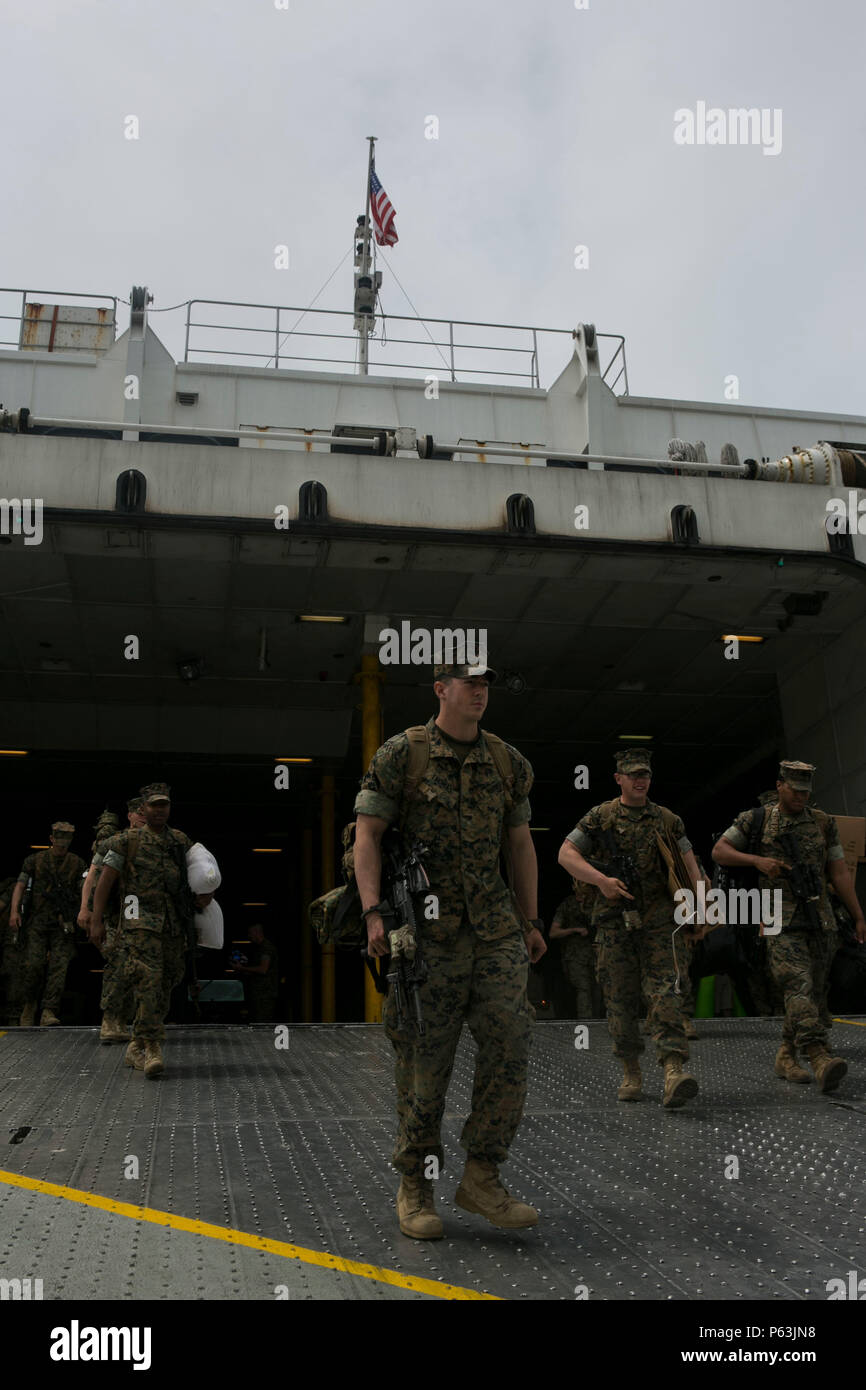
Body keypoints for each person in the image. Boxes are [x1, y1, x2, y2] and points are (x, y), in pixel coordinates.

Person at [353, 661, 546, 1239]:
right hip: (425, 940)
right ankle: (416, 1183)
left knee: (510, 1047)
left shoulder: (509, 763)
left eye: (487, 684)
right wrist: (372, 914)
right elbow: (368, 836)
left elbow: (520, 844)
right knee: (423, 1065)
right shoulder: (401, 755)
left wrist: (531, 919)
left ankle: (483, 1176)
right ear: (442, 690)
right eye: (470, 684)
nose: (481, 692)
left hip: (494, 932)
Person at [557, 749, 705, 1108]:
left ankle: (673, 1070)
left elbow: (690, 866)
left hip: (659, 921)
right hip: (613, 922)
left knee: (665, 993)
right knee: (619, 999)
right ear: (618, 778)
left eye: (646, 775)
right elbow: (565, 855)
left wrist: (699, 911)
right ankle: (631, 1070)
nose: (641, 780)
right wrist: (602, 881)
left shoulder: (668, 820)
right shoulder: (601, 817)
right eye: (633, 774)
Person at [712, 760, 866, 1091]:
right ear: (780, 785)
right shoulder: (757, 819)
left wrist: (858, 915)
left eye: (806, 792)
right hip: (777, 918)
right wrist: (757, 861)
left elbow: (838, 871)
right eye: (795, 790)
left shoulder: (824, 823)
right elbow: (719, 851)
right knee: (797, 984)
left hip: (819, 919)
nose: (801, 797)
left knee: (813, 992)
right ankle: (819, 1056)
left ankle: (786, 1054)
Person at [90, 783, 196, 1078]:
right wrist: (96, 919)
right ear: (143, 809)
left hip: (173, 925)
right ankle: (152, 1049)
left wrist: (205, 897)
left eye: (164, 805)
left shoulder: (180, 841)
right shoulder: (127, 841)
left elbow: (199, 875)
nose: (159, 810)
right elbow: (105, 882)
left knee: (168, 982)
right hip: (139, 924)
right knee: (148, 982)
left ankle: (136, 1043)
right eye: (153, 805)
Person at [80, 799, 147, 1042]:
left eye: (145, 813)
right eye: (137, 813)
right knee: (119, 963)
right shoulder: (115, 842)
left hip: (146, 916)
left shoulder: (159, 843)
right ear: (129, 815)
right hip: (116, 913)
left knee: (142, 969)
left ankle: (131, 1021)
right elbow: (93, 875)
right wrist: (86, 911)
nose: (142, 818)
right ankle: (111, 1019)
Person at [9, 822, 87, 1026]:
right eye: (59, 840)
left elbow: (84, 889)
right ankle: (29, 1005)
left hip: (63, 923)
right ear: (52, 839)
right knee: (33, 965)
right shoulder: (35, 860)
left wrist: (84, 911)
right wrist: (14, 911)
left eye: (66, 840)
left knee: (59, 968)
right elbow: (20, 885)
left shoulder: (77, 863)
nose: (62, 844)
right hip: (37, 921)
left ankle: (49, 1010)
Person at [549, 880, 602, 1017]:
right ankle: (587, 1024)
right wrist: (574, 930)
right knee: (583, 989)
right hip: (576, 955)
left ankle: (600, 1026)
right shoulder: (568, 905)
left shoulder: (598, 902)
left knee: (599, 990)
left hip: (598, 954)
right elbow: (553, 932)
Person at [233, 923, 279, 1021]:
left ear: (257, 933)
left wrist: (242, 968)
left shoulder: (266, 948)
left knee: (261, 1022)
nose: (249, 936)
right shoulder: (258, 949)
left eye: (250, 933)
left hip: (264, 995)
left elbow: (263, 969)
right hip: (259, 994)